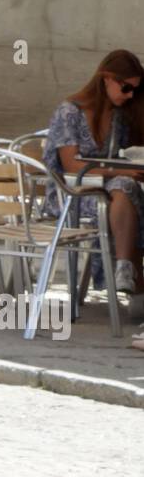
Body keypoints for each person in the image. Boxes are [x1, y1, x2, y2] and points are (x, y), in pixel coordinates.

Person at [42, 50, 144, 299]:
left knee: (125, 187)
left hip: (107, 191)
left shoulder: (119, 114)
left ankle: (124, 270)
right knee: (125, 186)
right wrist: (121, 171)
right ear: (107, 78)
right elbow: (72, 167)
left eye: (135, 90)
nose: (130, 95)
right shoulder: (70, 112)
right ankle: (133, 278)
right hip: (70, 195)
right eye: (126, 88)